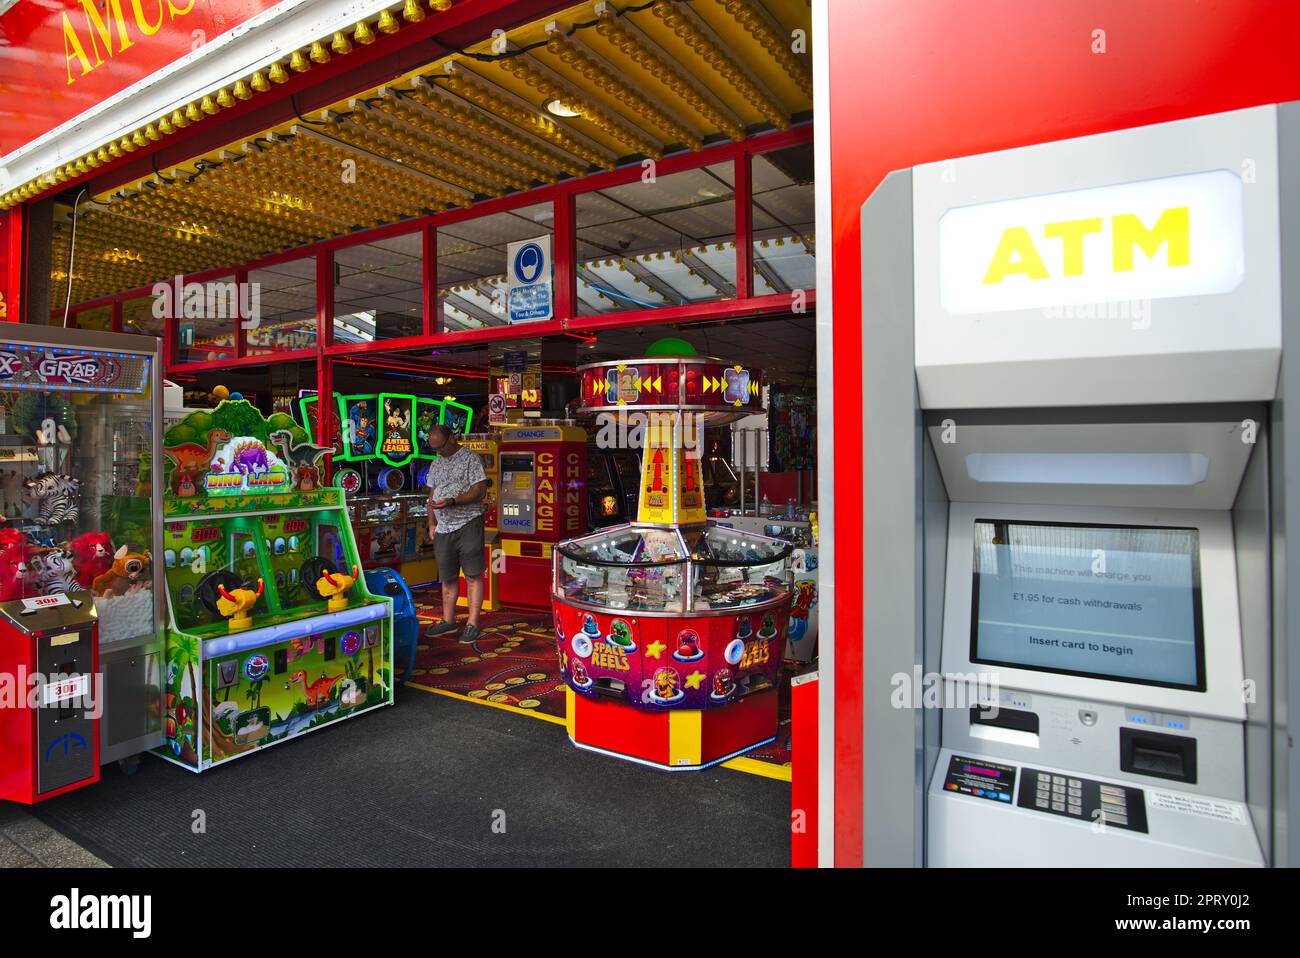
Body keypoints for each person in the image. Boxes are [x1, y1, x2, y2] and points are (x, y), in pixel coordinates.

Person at [423, 424, 488, 643]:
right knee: (447, 577)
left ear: (451, 438)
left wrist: (453, 501)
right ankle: (448, 620)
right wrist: (431, 523)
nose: (438, 452)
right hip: (443, 527)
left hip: (468, 522)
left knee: (472, 574)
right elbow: (432, 494)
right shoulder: (436, 463)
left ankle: (472, 622)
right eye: (434, 449)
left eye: (440, 447)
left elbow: (479, 490)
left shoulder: (471, 459)